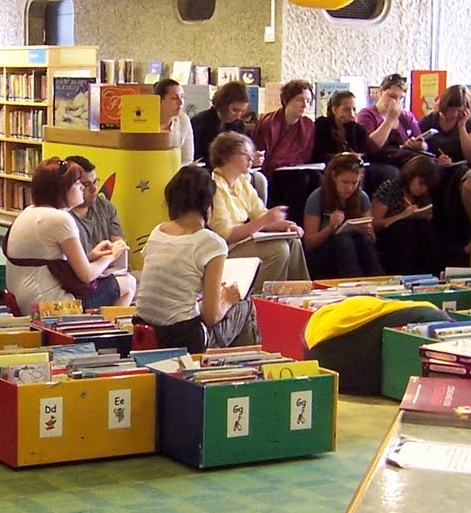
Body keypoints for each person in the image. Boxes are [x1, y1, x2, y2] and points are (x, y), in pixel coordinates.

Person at [134, 165, 257, 353]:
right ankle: (243, 371)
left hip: (144, 331)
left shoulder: (158, 232)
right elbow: (211, 316)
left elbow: (172, 296)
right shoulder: (211, 242)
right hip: (184, 339)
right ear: (208, 204)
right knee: (244, 304)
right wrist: (228, 300)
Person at [3, 157, 131, 314]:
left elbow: (48, 260)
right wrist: (112, 255)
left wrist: (91, 256)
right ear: (62, 189)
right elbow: (87, 275)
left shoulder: (30, 211)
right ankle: (103, 333)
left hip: (24, 300)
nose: (82, 189)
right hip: (48, 306)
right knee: (128, 283)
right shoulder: (60, 219)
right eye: (78, 184)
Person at [206, 132, 308, 287]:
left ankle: (300, 291)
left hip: (246, 241)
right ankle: (262, 297)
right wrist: (265, 220)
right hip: (225, 250)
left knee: (293, 241)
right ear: (226, 157)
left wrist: (287, 226)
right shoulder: (214, 187)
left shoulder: (242, 182)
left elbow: (261, 216)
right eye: (244, 154)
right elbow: (226, 235)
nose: (250, 159)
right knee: (278, 249)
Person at [65, 154, 137, 305]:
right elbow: (80, 272)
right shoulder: (63, 217)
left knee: (143, 281)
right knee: (129, 283)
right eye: (86, 184)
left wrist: (111, 258)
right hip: (76, 288)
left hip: (103, 273)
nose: (94, 189)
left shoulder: (105, 207)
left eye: (95, 182)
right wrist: (107, 259)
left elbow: (119, 248)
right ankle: (111, 326)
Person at [301, 153, 381, 279]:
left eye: (354, 183)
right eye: (345, 182)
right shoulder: (317, 197)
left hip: (354, 249)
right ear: (334, 177)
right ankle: (353, 282)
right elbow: (309, 244)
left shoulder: (361, 197)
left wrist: (368, 232)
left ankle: (377, 281)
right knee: (343, 240)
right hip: (323, 255)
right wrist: (330, 228)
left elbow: (372, 240)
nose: (349, 188)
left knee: (363, 241)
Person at [370, 154, 442, 275]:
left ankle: (429, 275)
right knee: (405, 228)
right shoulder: (390, 188)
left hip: (414, 233)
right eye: (420, 183)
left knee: (425, 228)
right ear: (411, 176)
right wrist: (402, 215)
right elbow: (374, 224)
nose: (423, 189)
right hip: (389, 235)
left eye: (427, 186)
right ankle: (405, 275)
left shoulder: (423, 196)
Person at [356, 73, 427, 192]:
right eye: (392, 96)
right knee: (393, 174)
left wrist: (419, 145)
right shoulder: (367, 115)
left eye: (401, 98)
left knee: (431, 168)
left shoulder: (406, 116)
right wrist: (389, 120)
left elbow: (422, 141)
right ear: (380, 92)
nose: (396, 101)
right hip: (379, 161)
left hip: (404, 158)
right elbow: (371, 146)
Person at [251, 79, 315, 175]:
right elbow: (264, 156)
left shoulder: (308, 125)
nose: (305, 105)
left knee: (315, 177)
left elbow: (305, 156)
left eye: (308, 101)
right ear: (286, 100)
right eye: (299, 100)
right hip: (271, 171)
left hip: (296, 168)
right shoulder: (269, 123)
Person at [189, 80, 253, 166]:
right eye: (234, 110)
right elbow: (197, 157)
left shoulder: (238, 125)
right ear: (223, 103)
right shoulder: (200, 122)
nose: (238, 116)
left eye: (242, 112)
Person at [418, 85, 471, 166]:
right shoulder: (430, 120)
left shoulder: (468, 123)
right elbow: (417, 145)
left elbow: (470, 158)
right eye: (452, 110)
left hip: (458, 167)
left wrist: (461, 126)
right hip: (432, 166)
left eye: (459, 110)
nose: (455, 114)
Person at [311, 90, 372, 163]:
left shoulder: (358, 130)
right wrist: (344, 157)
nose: (352, 114)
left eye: (354, 109)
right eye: (346, 110)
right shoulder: (321, 126)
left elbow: (365, 155)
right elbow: (317, 156)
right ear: (334, 110)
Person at [154, 77, 194, 165]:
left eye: (182, 97)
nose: (180, 102)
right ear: (160, 100)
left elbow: (187, 159)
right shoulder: (145, 122)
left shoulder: (184, 120)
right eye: (174, 98)